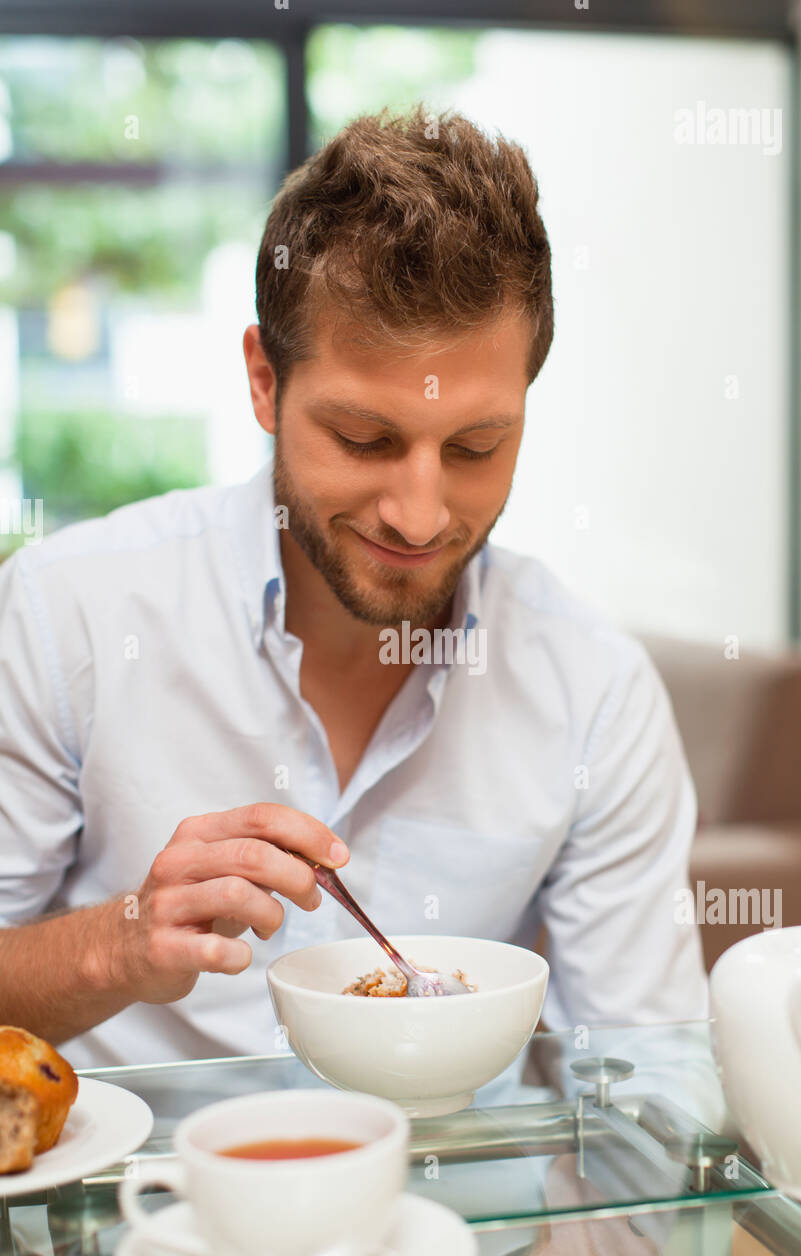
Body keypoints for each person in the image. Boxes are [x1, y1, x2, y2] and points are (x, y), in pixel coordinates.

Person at [0, 107, 708, 1069]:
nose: (419, 516)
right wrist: (117, 944)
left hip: (456, 1221)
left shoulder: (595, 695)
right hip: (146, 1212)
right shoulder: (64, 614)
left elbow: (645, 1082)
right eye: (365, 440)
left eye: (475, 447)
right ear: (263, 381)